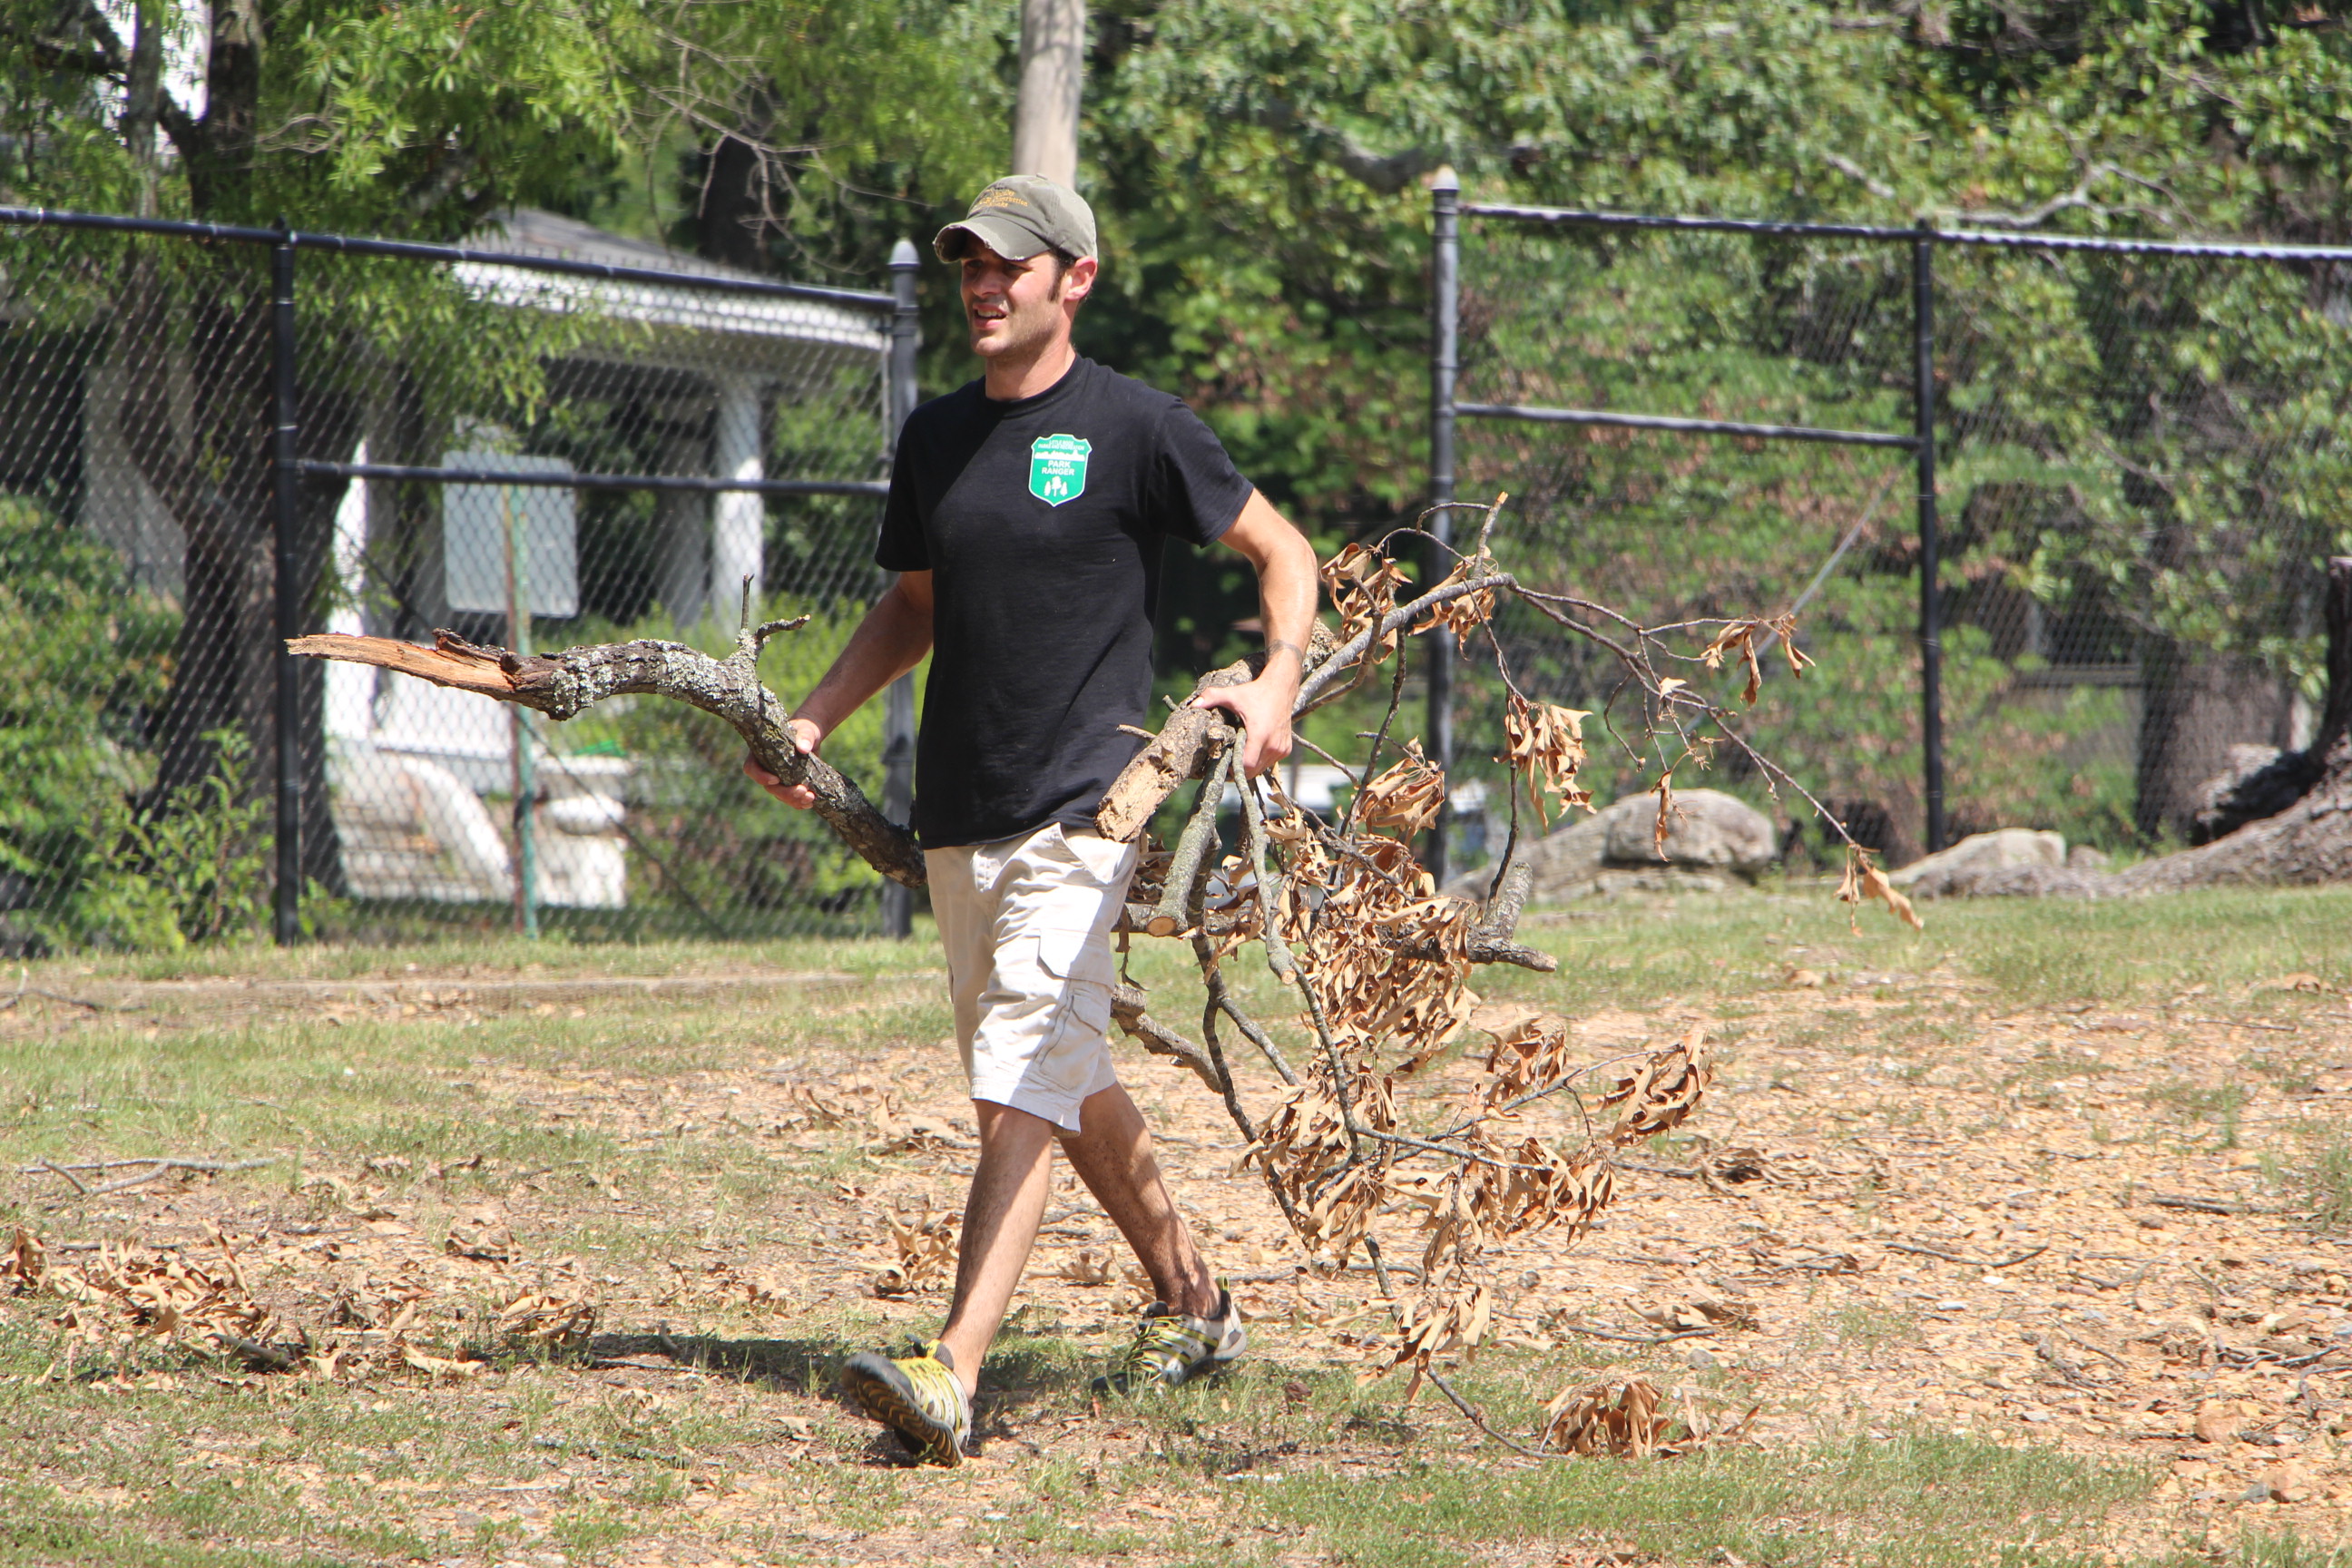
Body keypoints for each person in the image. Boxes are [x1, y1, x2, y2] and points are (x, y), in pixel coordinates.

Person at [745, 173, 1319, 1466]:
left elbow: (1284, 553)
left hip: (1089, 809)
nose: (984, 285)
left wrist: (1276, 680)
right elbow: (914, 606)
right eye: (972, 264)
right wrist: (813, 721)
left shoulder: (1139, 427)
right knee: (1057, 1075)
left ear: (1077, 279)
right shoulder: (936, 437)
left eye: (1010, 263)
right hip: (963, 814)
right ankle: (1199, 1305)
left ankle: (952, 1373)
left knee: (1017, 1080)